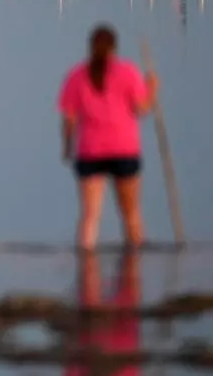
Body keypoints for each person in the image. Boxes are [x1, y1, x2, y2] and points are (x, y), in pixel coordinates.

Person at [58, 24, 157, 251]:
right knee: (131, 214)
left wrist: (66, 148)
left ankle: (86, 267)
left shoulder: (76, 76)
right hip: (124, 150)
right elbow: (141, 109)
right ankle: (135, 269)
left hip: (90, 152)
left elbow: (69, 120)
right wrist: (152, 90)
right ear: (114, 47)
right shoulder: (128, 72)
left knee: (89, 217)